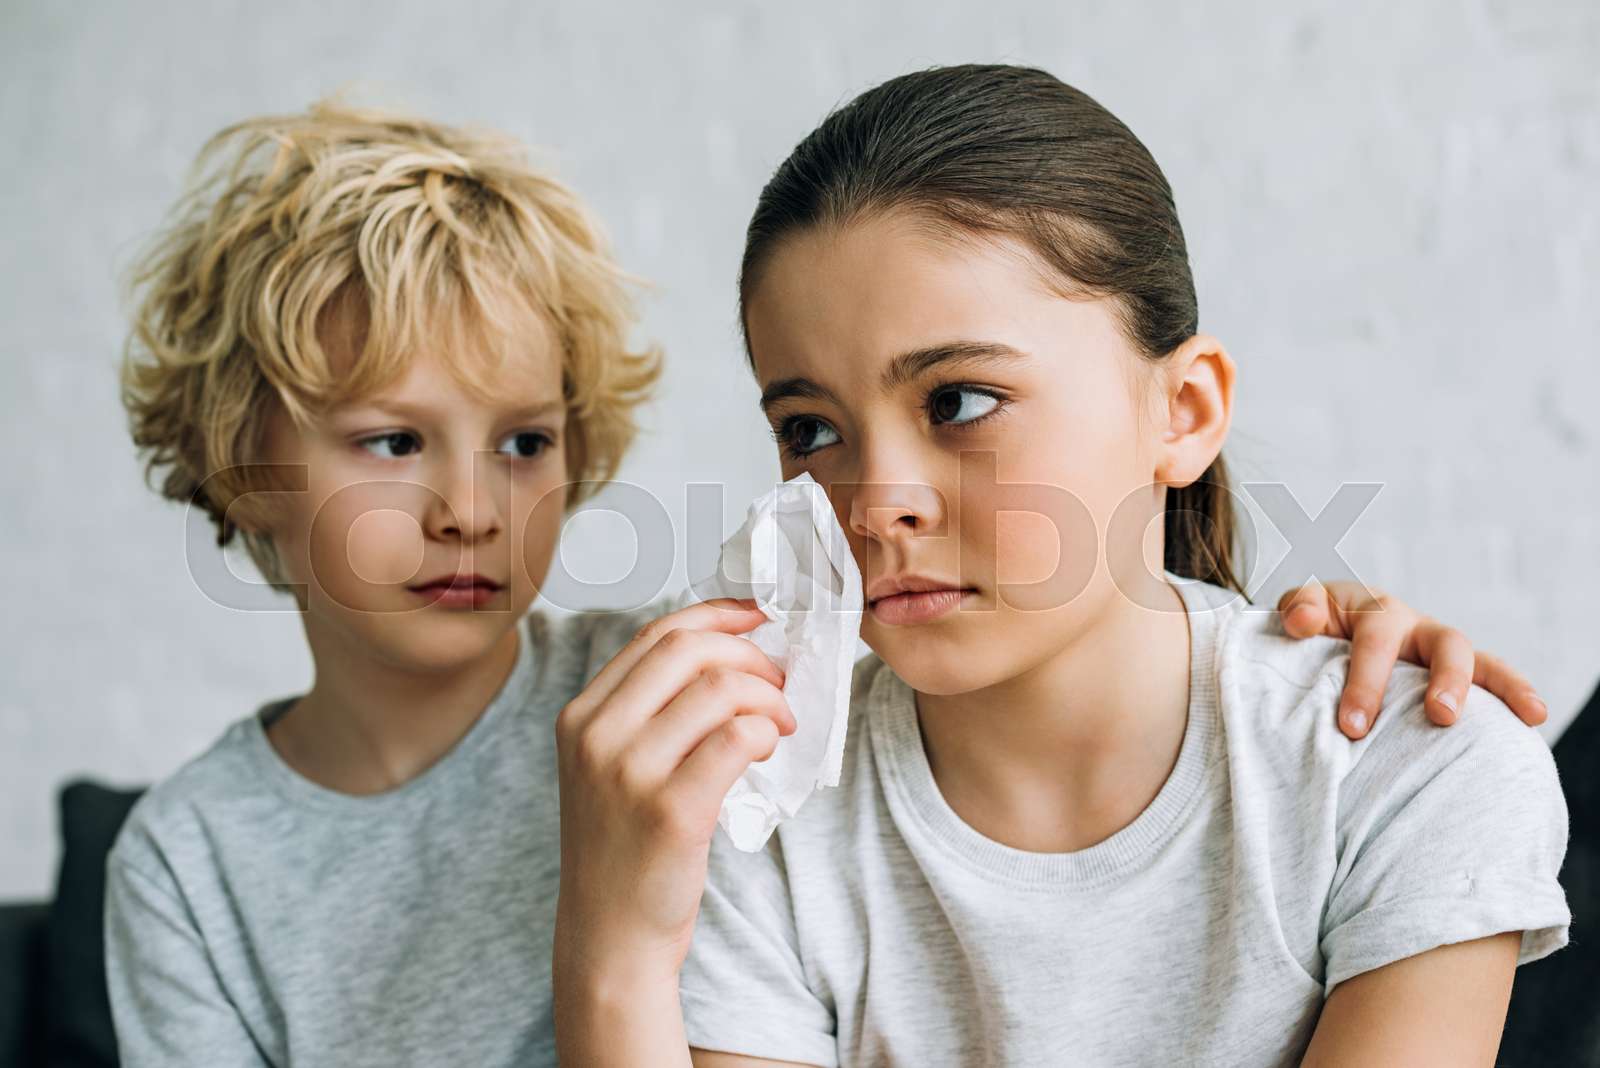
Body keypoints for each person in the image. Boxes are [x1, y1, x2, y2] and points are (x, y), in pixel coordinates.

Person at [551, 65, 1570, 1066]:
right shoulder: (758, 805)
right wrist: (621, 952)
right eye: (810, 428)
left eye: (957, 401)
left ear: (1184, 412)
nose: (872, 502)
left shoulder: (1407, 769)